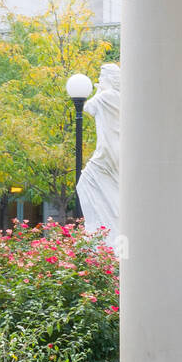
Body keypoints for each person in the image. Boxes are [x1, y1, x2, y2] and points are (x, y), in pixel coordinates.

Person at [76, 63, 120, 244]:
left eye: (102, 77)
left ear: (109, 79)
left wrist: (98, 90)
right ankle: (112, 230)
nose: (99, 80)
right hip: (117, 149)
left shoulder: (105, 96)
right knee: (112, 187)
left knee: (84, 182)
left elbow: (87, 108)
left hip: (107, 150)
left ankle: (102, 236)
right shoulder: (120, 97)